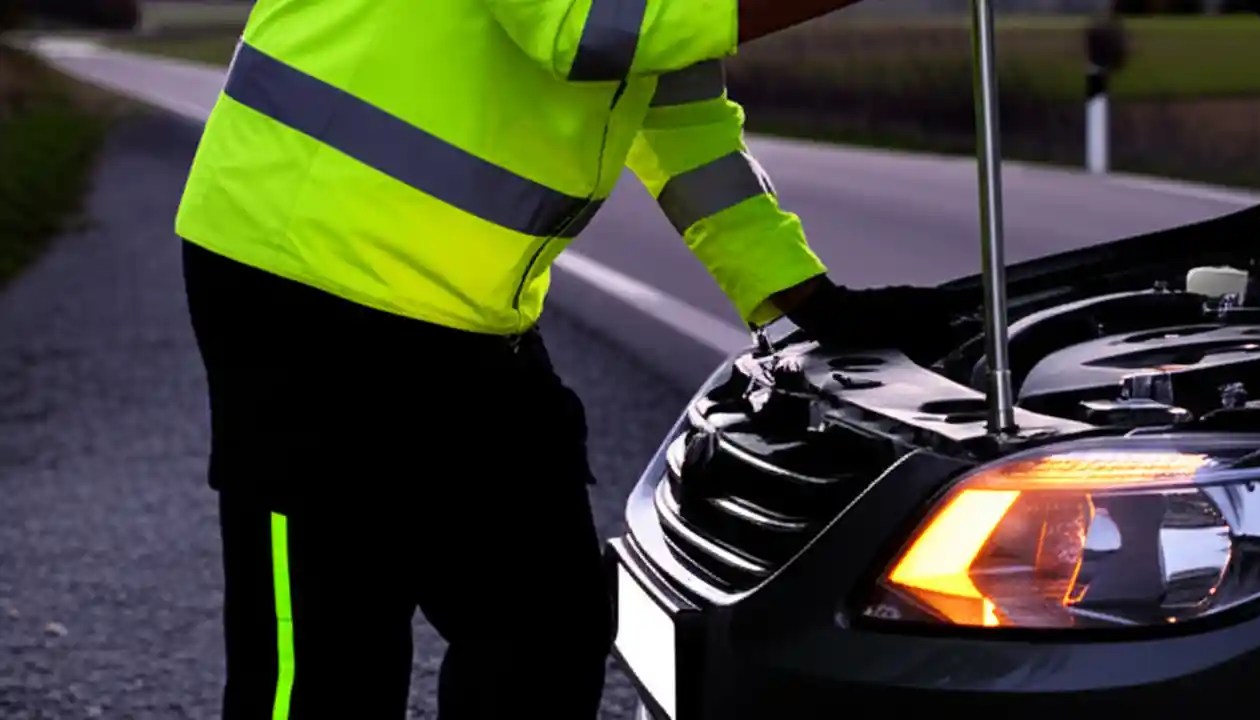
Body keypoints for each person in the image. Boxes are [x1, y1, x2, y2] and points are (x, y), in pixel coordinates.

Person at [174, 0, 964, 717]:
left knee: (547, 627)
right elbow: (584, 29)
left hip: (463, 313)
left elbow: (683, 125)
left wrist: (809, 301)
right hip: (299, 279)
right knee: (332, 646)